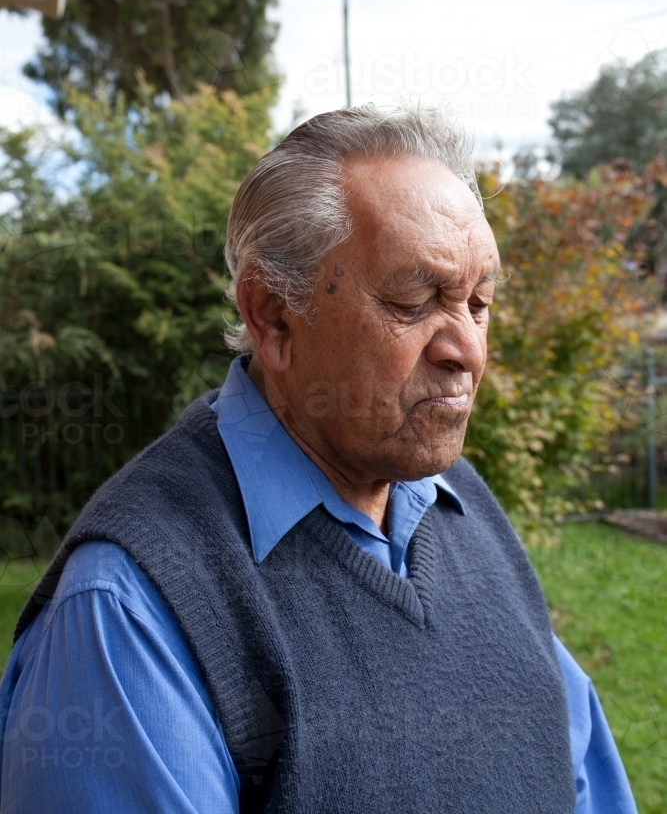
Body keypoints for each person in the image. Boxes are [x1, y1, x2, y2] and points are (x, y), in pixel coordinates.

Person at [0, 106, 637, 813]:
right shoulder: (128, 608)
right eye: (414, 300)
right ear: (272, 318)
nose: (467, 350)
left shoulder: (458, 504)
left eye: (478, 302)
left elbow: (578, 773)